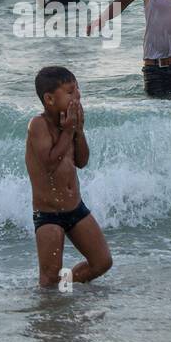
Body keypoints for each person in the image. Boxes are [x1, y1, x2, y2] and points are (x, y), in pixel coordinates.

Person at [24, 66, 112, 288]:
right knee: (49, 277)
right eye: (71, 91)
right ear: (50, 99)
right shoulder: (38, 125)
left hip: (75, 209)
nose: (78, 95)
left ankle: (66, 287)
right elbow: (50, 163)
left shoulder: (68, 122)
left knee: (102, 262)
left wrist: (78, 131)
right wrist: (68, 130)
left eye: (78, 89)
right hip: (49, 215)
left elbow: (82, 161)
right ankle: (47, 316)